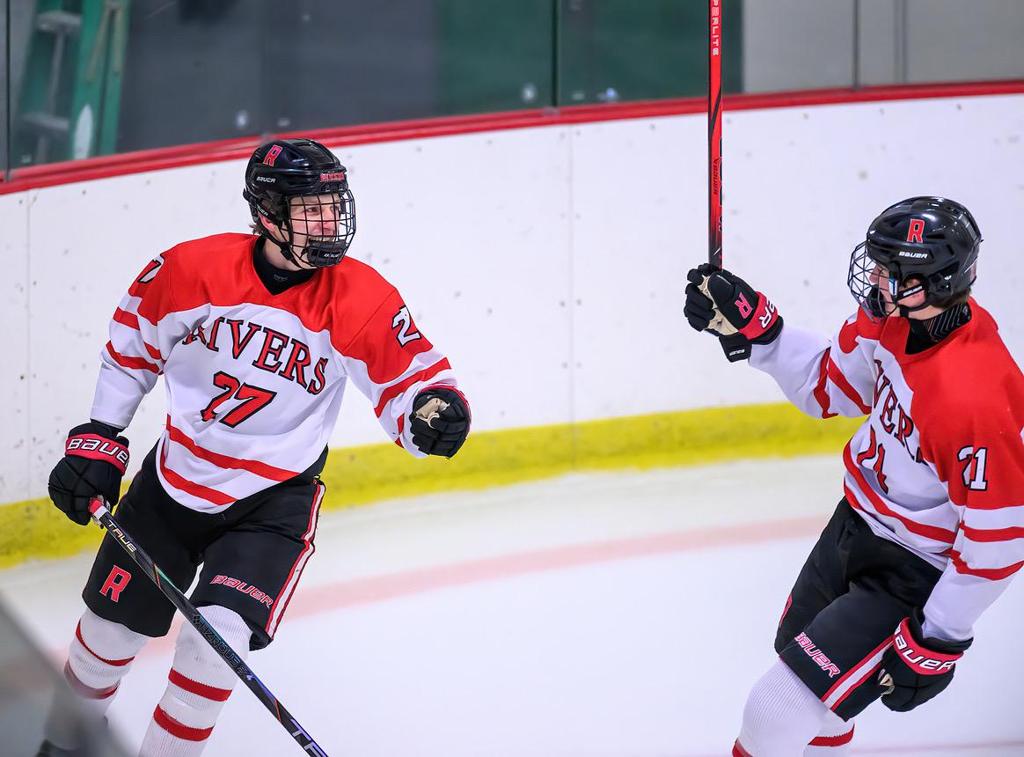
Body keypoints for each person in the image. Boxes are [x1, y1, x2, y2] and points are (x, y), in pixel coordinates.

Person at [41, 137, 471, 756]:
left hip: (271, 507)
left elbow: (410, 379)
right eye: (311, 208)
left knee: (213, 648)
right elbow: (132, 345)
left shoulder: (358, 296)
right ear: (268, 212)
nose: (330, 221)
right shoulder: (192, 270)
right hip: (171, 486)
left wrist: (432, 413)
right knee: (106, 635)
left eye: (334, 204)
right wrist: (99, 439)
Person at [684, 196, 1024, 756]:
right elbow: (830, 387)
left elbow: (999, 537)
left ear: (930, 284)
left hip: (911, 572)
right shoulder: (892, 320)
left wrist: (938, 637)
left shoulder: (973, 397)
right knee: (813, 702)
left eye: (892, 271)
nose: (876, 278)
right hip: (853, 530)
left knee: (775, 709)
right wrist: (761, 329)